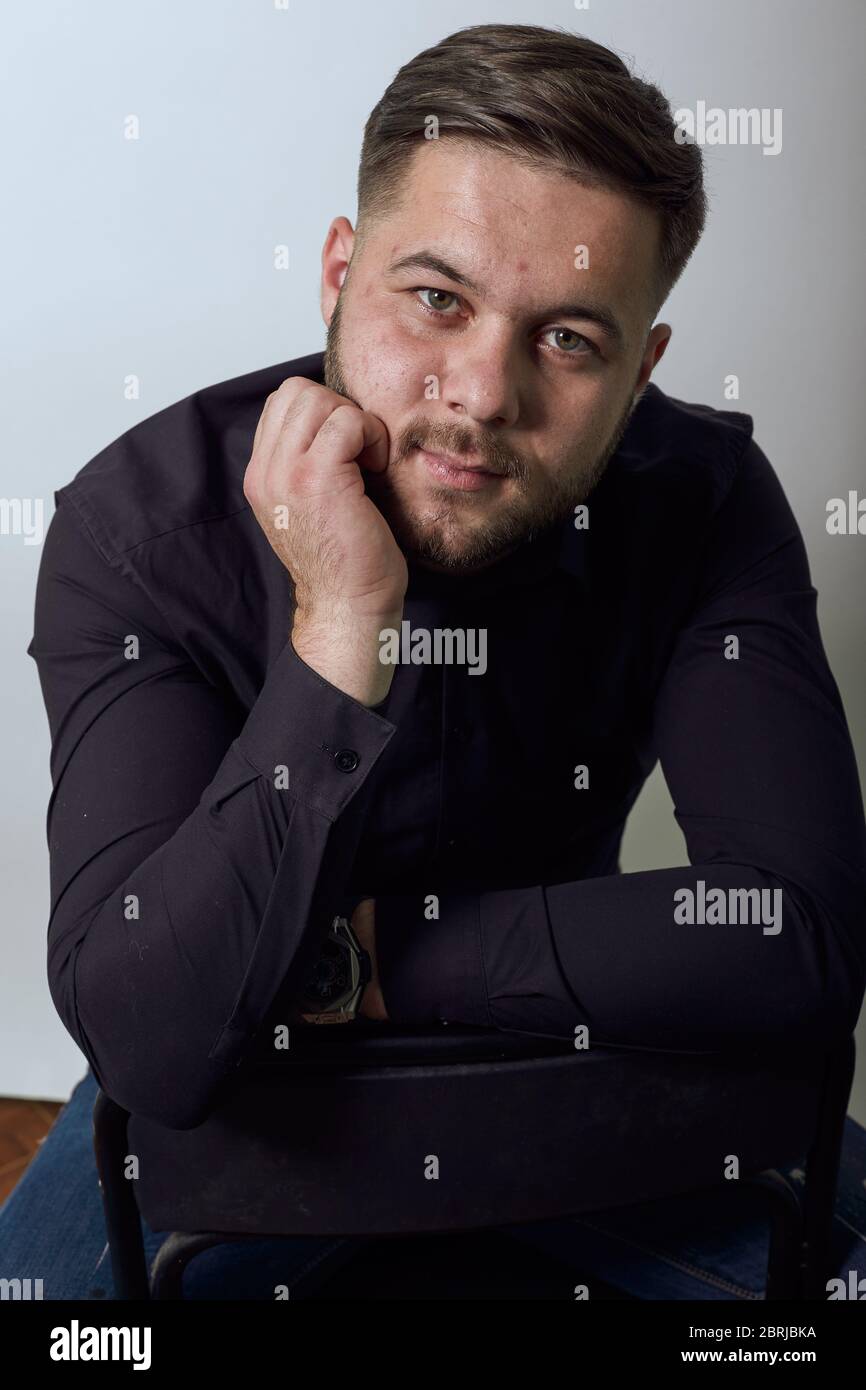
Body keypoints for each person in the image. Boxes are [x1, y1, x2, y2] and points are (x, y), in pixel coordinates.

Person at [11, 23, 866, 1298]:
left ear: (641, 371)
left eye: (568, 339)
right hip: (238, 1108)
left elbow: (793, 933)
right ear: (339, 273)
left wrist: (360, 959)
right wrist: (340, 624)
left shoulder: (704, 500)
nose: (478, 392)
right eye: (435, 299)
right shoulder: (141, 530)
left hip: (591, 1070)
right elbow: (151, 1031)